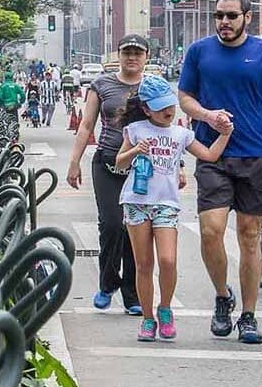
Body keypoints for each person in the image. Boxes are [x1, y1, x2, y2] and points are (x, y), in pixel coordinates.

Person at [177, 0, 262, 345]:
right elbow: (184, 98)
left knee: (249, 235)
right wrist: (206, 115)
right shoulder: (199, 52)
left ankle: (248, 315)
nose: (224, 22)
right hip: (213, 155)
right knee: (211, 230)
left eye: (231, 16)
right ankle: (221, 296)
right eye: (219, 16)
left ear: (247, 16)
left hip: (256, 154)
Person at [114, 75, 233, 342]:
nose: (168, 111)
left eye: (170, 105)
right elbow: (119, 163)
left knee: (168, 261)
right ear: (146, 109)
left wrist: (225, 134)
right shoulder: (135, 130)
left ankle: (165, 309)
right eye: (159, 107)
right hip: (136, 202)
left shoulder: (181, 134)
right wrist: (135, 151)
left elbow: (209, 155)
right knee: (144, 264)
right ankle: (147, 319)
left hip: (166, 204)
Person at [67, 33, 152, 316]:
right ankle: (107, 283)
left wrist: (175, 167)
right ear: (118, 55)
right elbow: (86, 124)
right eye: (127, 52)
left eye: (137, 53)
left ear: (146, 58)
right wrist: (74, 162)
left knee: (134, 230)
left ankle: (132, 294)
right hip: (106, 164)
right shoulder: (102, 84)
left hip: (141, 169)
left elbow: (166, 128)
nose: (131, 58)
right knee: (112, 225)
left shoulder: (152, 87)